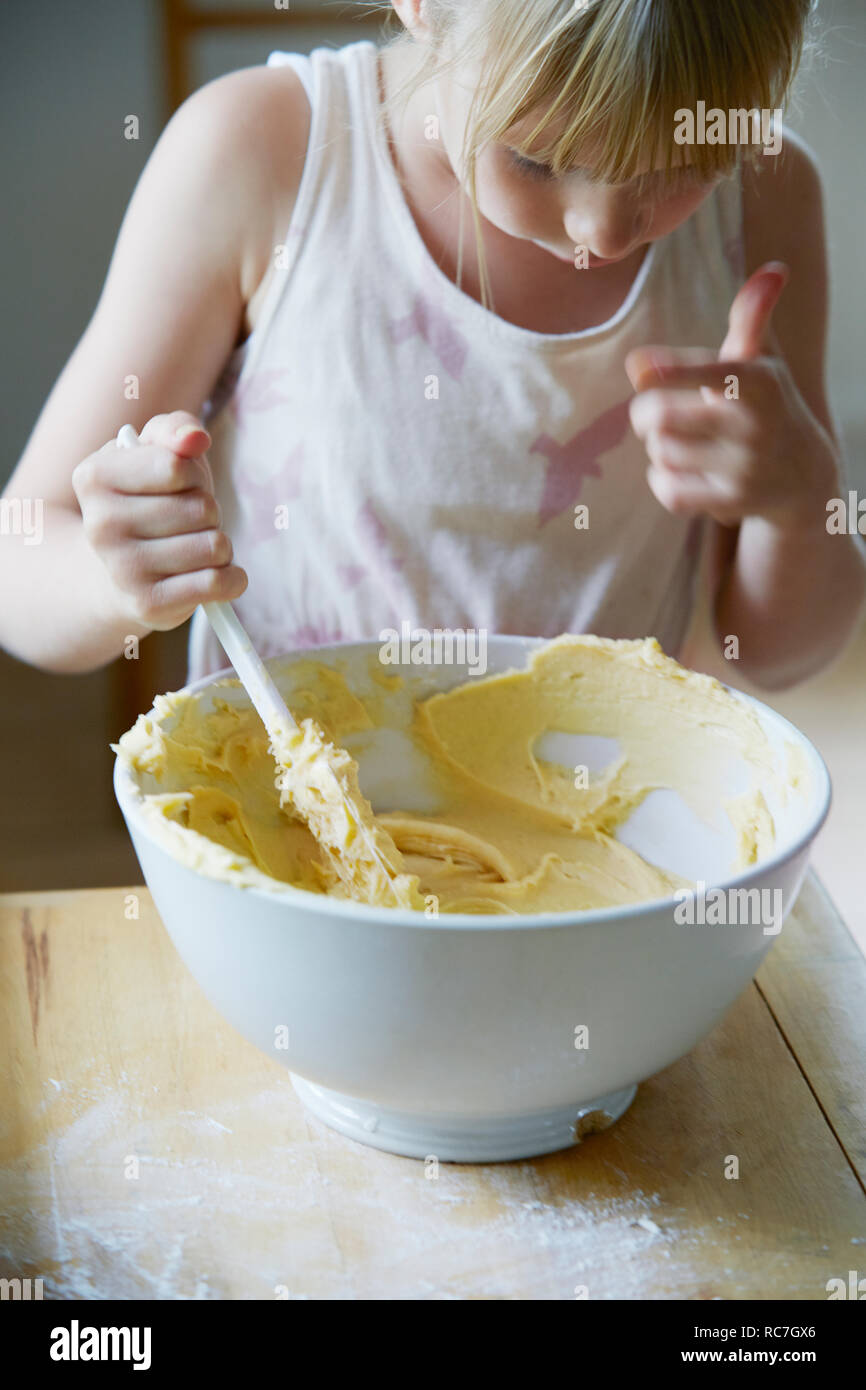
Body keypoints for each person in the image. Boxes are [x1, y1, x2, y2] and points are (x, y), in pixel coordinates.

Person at [2, 0, 863, 688]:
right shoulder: (263, 156)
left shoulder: (764, 205)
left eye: (682, 167)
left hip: (595, 838)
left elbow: (778, 653)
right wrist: (115, 577)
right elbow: (20, 557)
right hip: (296, 833)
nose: (599, 229)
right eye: (535, 157)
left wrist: (799, 496)